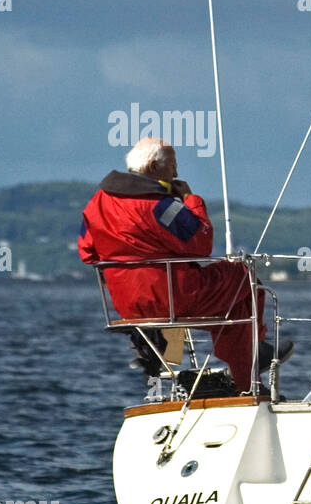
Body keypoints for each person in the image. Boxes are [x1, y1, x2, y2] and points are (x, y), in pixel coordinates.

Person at [78, 136, 289, 391]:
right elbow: (201, 243)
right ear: (154, 168)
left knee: (235, 304)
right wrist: (190, 199)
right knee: (245, 276)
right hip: (174, 298)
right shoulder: (161, 205)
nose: (176, 172)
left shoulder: (96, 204)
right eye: (173, 165)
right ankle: (250, 365)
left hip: (127, 304)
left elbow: (87, 253)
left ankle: (236, 360)